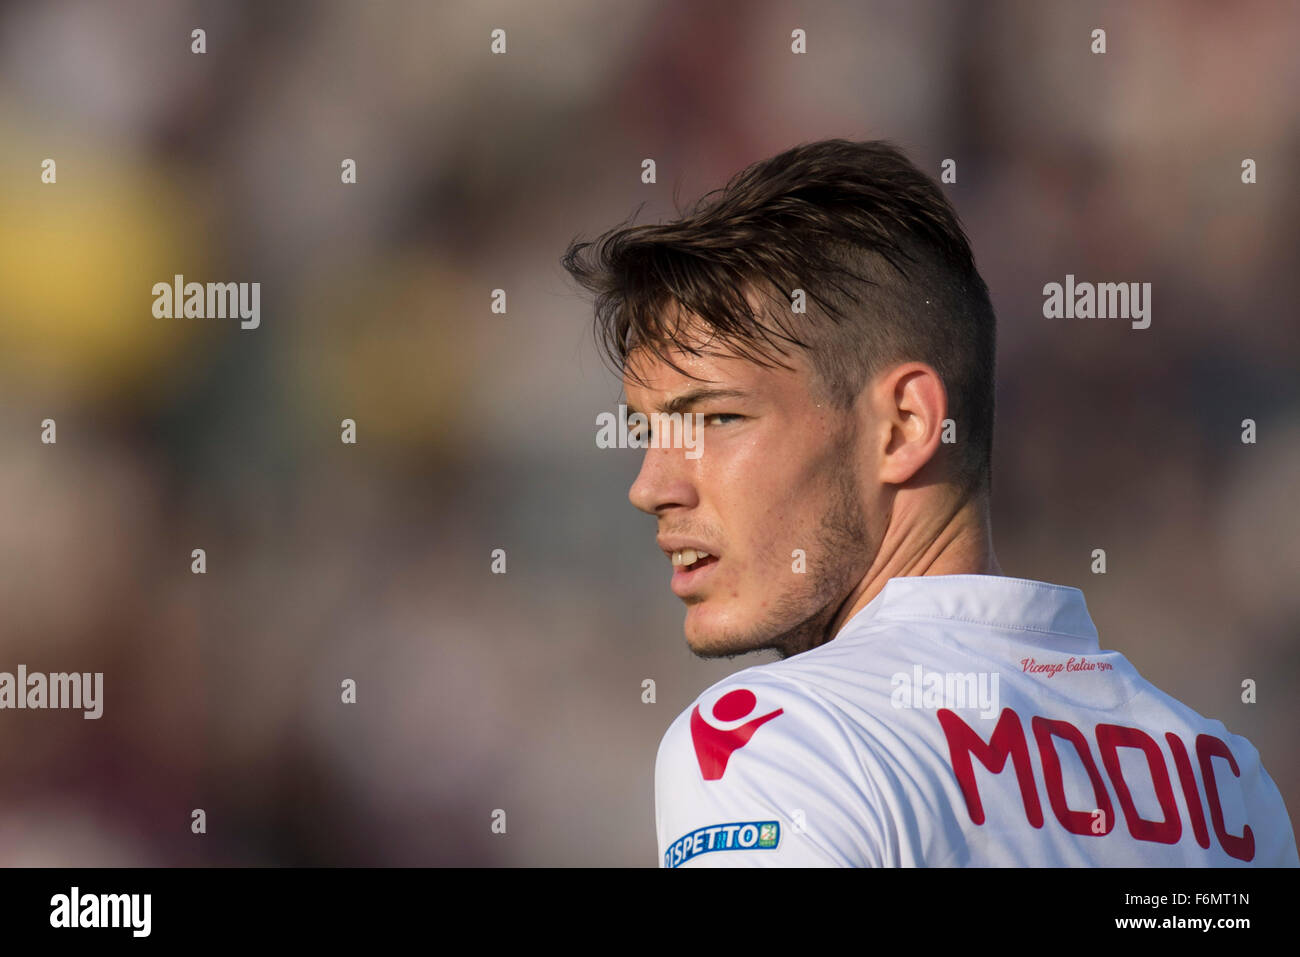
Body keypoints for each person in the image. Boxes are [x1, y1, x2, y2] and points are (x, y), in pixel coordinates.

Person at [561, 139, 1299, 867]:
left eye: (718, 418)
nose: (650, 486)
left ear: (905, 425)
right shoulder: (1228, 783)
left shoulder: (772, 743)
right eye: (650, 432)